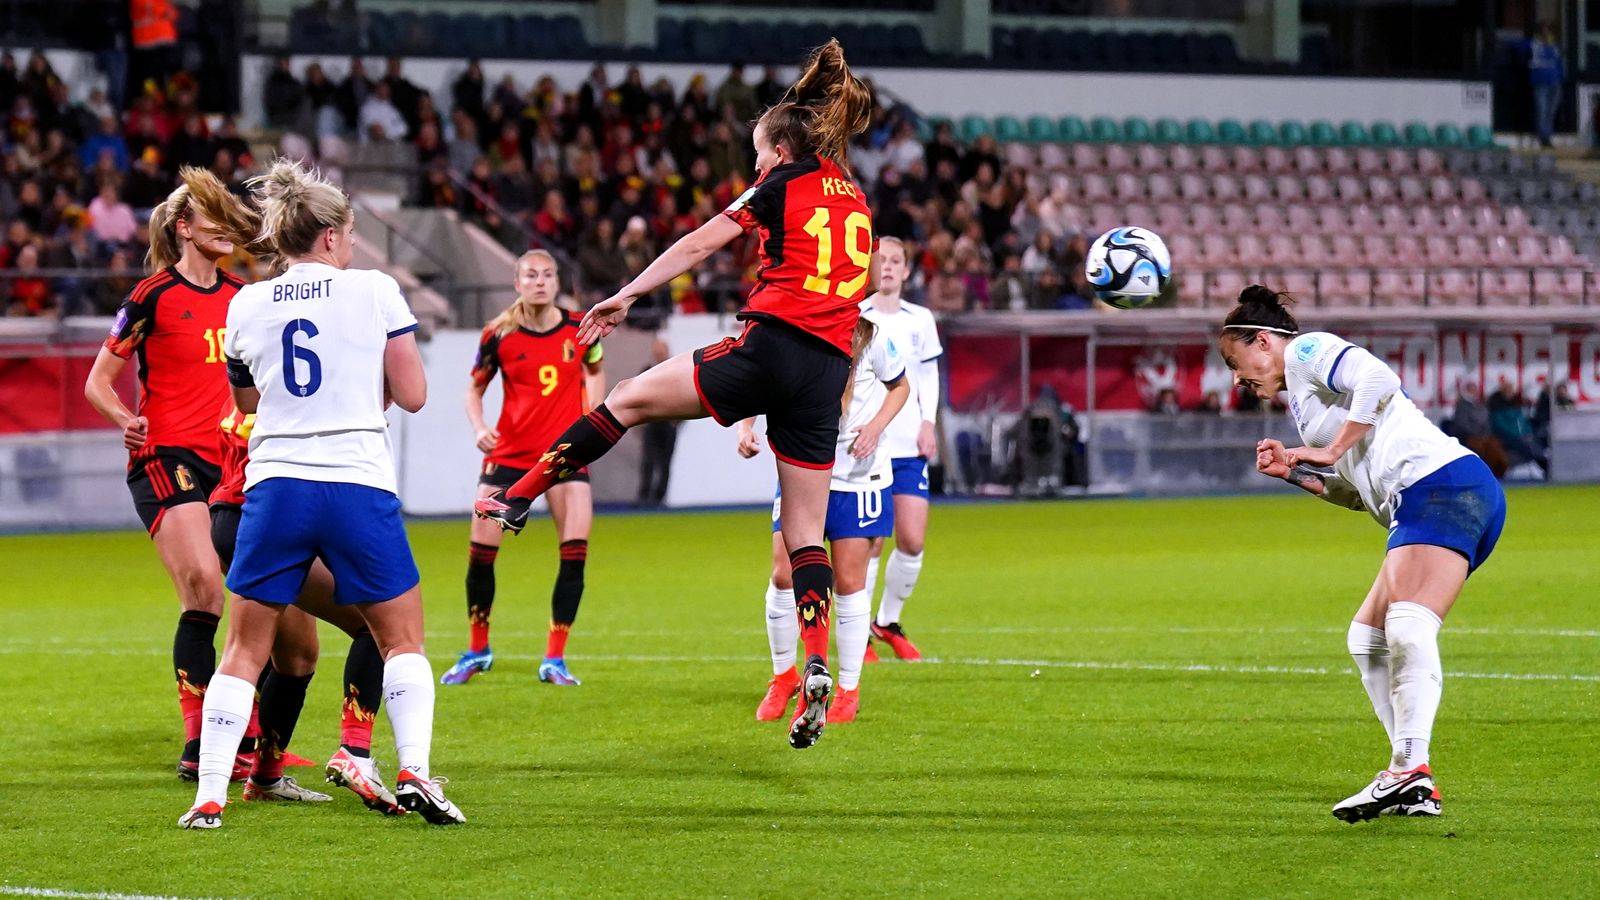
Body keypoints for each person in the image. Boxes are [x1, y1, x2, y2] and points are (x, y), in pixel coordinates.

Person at [475, 40, 873, 750]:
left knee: (627, 397)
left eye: (758, 153)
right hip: (827, 370)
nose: (754, 166)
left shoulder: (777, 184)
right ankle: (817, 661)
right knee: (805, 532)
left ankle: (518, 494)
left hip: (771, 344)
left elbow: (696, 245)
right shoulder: (854, 194)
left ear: (779, 151)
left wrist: (627, 294)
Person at [179, 160, 462, 828]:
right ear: (331, 235)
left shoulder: (246, 303)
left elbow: (247, 402)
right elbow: (414, 395)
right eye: (351, 233)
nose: (353, 243)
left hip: (275, 484)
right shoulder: (374, 290)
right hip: (355, 478)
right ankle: (414, 771)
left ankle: (210, 796)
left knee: (244, 649)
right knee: (401, 638)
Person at [1219, 285, 1505, 823]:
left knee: (1407, 627)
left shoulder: (1306, 351)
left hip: (1438, 486)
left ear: (1262, 341)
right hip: (1431, 497)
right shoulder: (1306, 400)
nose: (1236, 379)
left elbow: (1380, 378)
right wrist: (1296, 473)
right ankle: (1413, 779)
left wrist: (1329, 450)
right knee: (1367, 637)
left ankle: (1409, 768)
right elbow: (1357, 495)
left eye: (1235, 363)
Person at [83, 167, 257, 782]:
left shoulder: (244, 297)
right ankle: (199, 743)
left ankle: (248, 736)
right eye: (214, 217)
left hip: (232, 462)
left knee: (255, 598)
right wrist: (126, 420)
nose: (227, 228)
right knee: (205, 586)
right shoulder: (151, 296)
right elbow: (98, 382)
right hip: (166, 458)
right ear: (184, 227)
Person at [210, 402, 402, 814]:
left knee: (295, 658)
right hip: (270, 516)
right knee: (376, 625)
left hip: (232, 513)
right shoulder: (307, 388)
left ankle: (263, 777)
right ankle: (355, 751)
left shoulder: (256, 376)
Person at [441, 250, 605, 688]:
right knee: (481, 554)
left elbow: (595, 370)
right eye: (531, 275)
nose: (540, 282)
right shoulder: (498, 333)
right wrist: (479, 427)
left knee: (574, 552)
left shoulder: (580, 328)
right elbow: (473, 390)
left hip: (565, 455)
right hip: (510, 455)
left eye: (548, 275)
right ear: (517, 283)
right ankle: (478, 649)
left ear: (557, 282)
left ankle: (555, 659)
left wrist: (591, 418)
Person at [745, 316, 908, 724]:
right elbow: (759, 382)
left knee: (850, 582)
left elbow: (900, 386)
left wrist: (875, 427)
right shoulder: (794, 330)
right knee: (783, 574)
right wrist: (745, 428)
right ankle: (783, 677)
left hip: (858, 477)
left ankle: (848, 692)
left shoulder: (872, 335)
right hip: (802, 471)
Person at [857, 237, 943, 661]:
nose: (888, 267)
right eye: (882, 261)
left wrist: (928, 422)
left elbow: (928, 376)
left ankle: (886, 621)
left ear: (907, 271)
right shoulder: (857, 316)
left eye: (896, 261)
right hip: (869, 446)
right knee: (870, 542)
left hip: (908, 444)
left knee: (911, 539)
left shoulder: (920, 319)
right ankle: (858, 634)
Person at [1527, 23, 1564, 148]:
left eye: (1548, 31)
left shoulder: (1555, 46)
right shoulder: (1533, 45)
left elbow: (1559, 63)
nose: (1546, 34)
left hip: (1554, 81)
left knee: (1551, 111)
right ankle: (1543, 137)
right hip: (1540, 83)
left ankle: (1547, 135)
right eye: (1543, 31)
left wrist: (1560, 79)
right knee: (1542, 110)